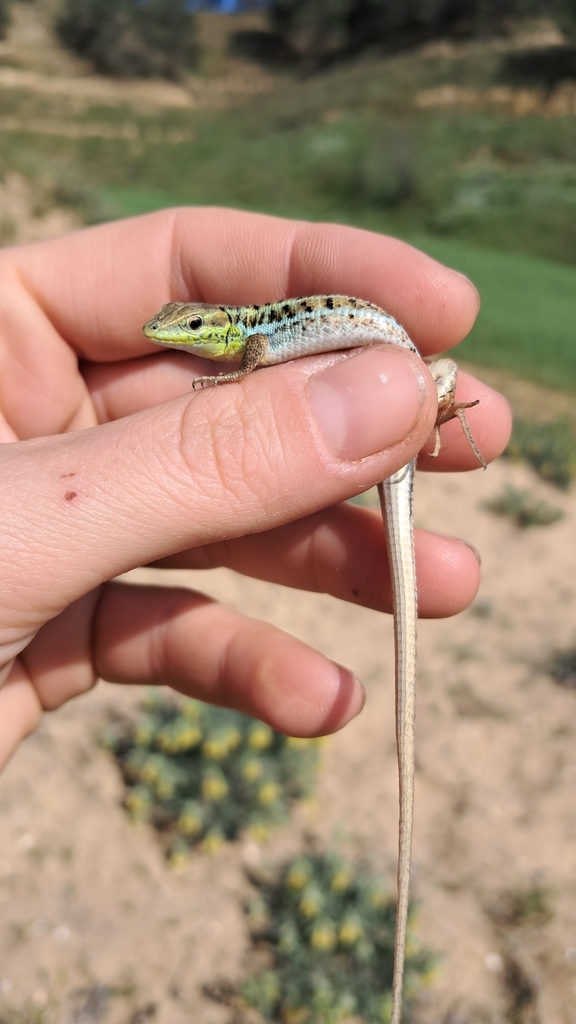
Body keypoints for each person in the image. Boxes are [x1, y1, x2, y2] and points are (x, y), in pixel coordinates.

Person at [0, 207, 511, 772]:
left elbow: (260, 355)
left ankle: (437, 408)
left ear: (218, 327)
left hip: (391, 344)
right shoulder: (246, 333)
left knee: (439, 379)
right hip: (391, 354)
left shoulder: (254, 339)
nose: (173, 334)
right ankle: (430, 406)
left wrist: (239, 382)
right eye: (181, 327)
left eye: (191, 327)